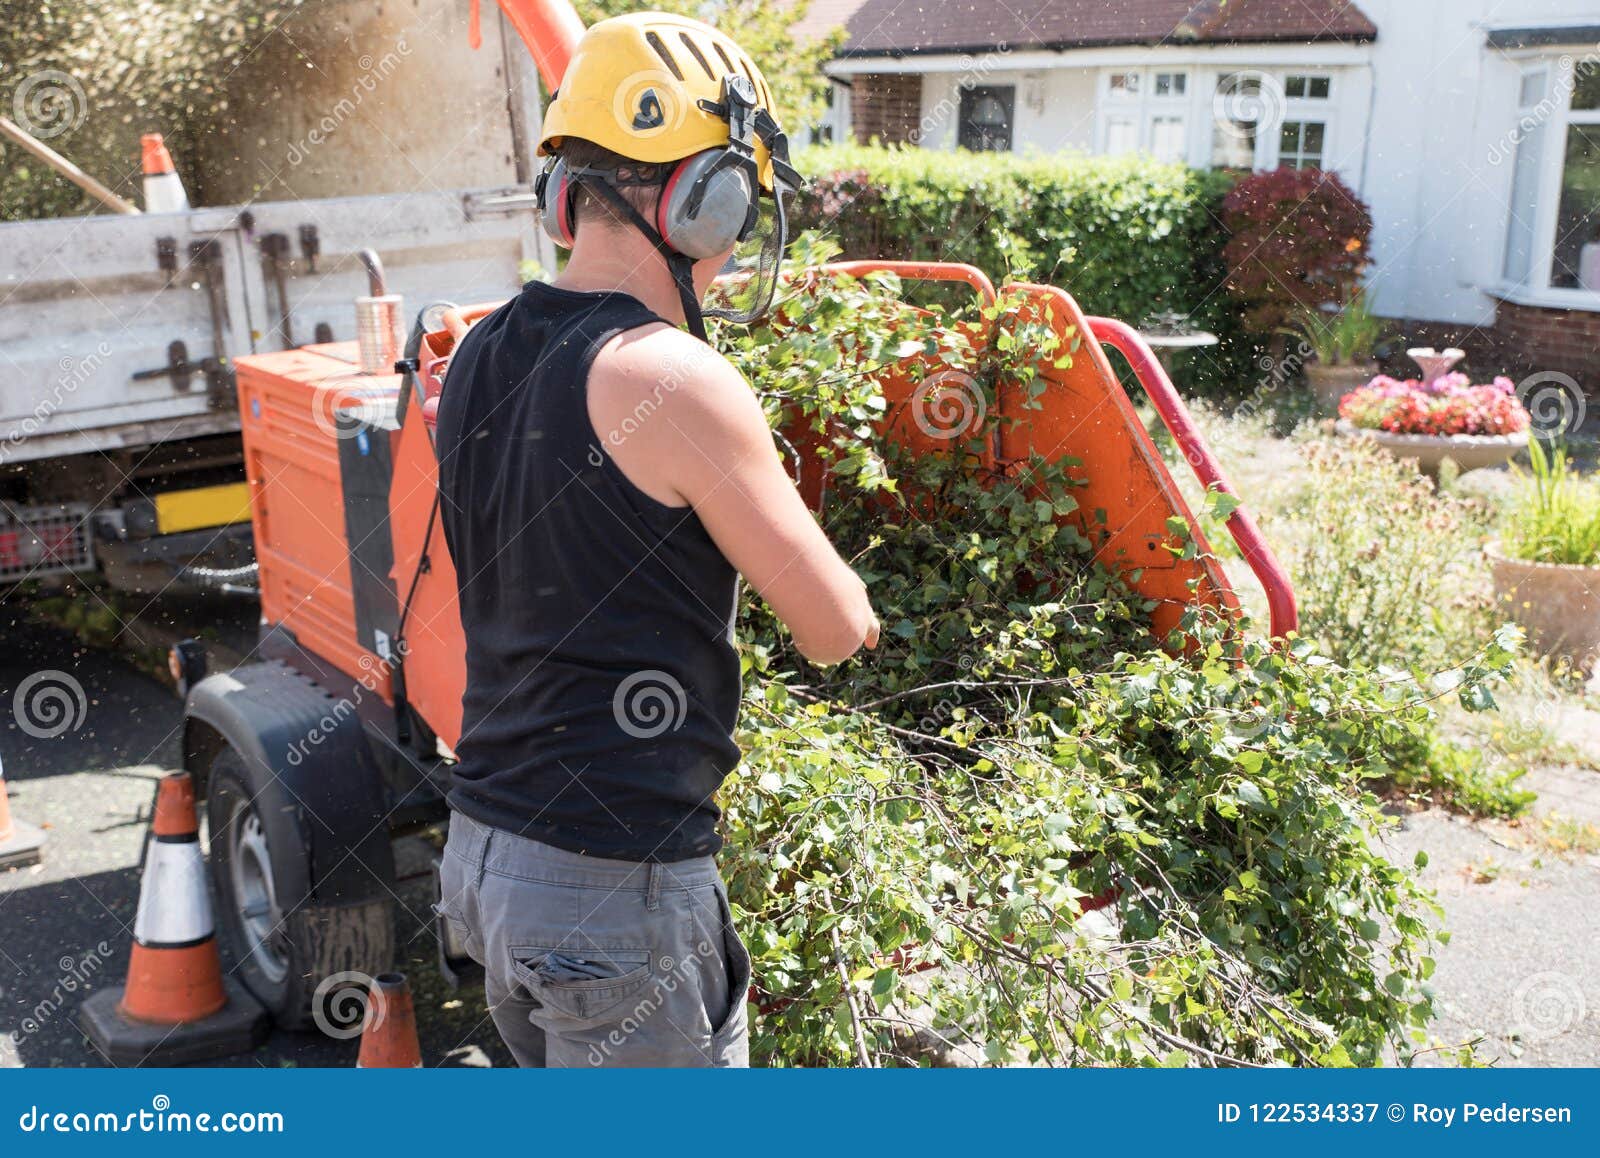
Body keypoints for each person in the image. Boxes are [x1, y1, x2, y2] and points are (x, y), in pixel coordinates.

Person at [431, 12, 878, 1068]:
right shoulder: (670, 376)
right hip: (611, 888)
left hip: (488, 859)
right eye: (735, 204)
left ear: (564, 192)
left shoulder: (477, 354)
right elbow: (833, 627)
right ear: (700, 199)